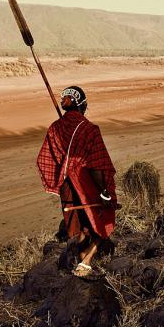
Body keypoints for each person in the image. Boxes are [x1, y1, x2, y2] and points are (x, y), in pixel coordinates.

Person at [37, 86, 118, 277]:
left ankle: (83, 260)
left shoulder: (55, 128)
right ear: (84, 105)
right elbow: (97, 164)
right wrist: (104, 191)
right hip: (85, 183)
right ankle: (86, 261)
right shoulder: (89, 129)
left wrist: (61, 176)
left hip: (67, 185)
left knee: (81, 225)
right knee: (103, 218)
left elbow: (45, 158)